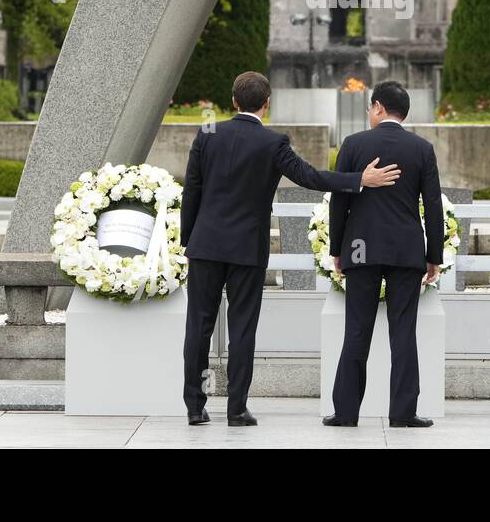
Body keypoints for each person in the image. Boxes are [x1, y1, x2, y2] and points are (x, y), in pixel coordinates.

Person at [180, 70, 400, 426]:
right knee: (243, 328)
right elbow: (311, 177)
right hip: (247, 249)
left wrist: (189, 239)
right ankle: (236, 409)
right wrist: (359, 179)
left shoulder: (207, 135)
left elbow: (192, 190)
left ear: (234, 101)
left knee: (198, 326)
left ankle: (194, 406)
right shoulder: (272, 143)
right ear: (267, 104)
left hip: (205, 245)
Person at [324, 80, 443, 428]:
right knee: (403, 332)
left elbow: (339, 199)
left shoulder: (353, 144)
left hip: (360, 248)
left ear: (378, 107)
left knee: (356, 330)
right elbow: (432, 205)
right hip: (406, 251)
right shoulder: (422, 149)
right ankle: (403, 413)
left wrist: (337, 248)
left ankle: (346, 413)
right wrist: (433, 254)